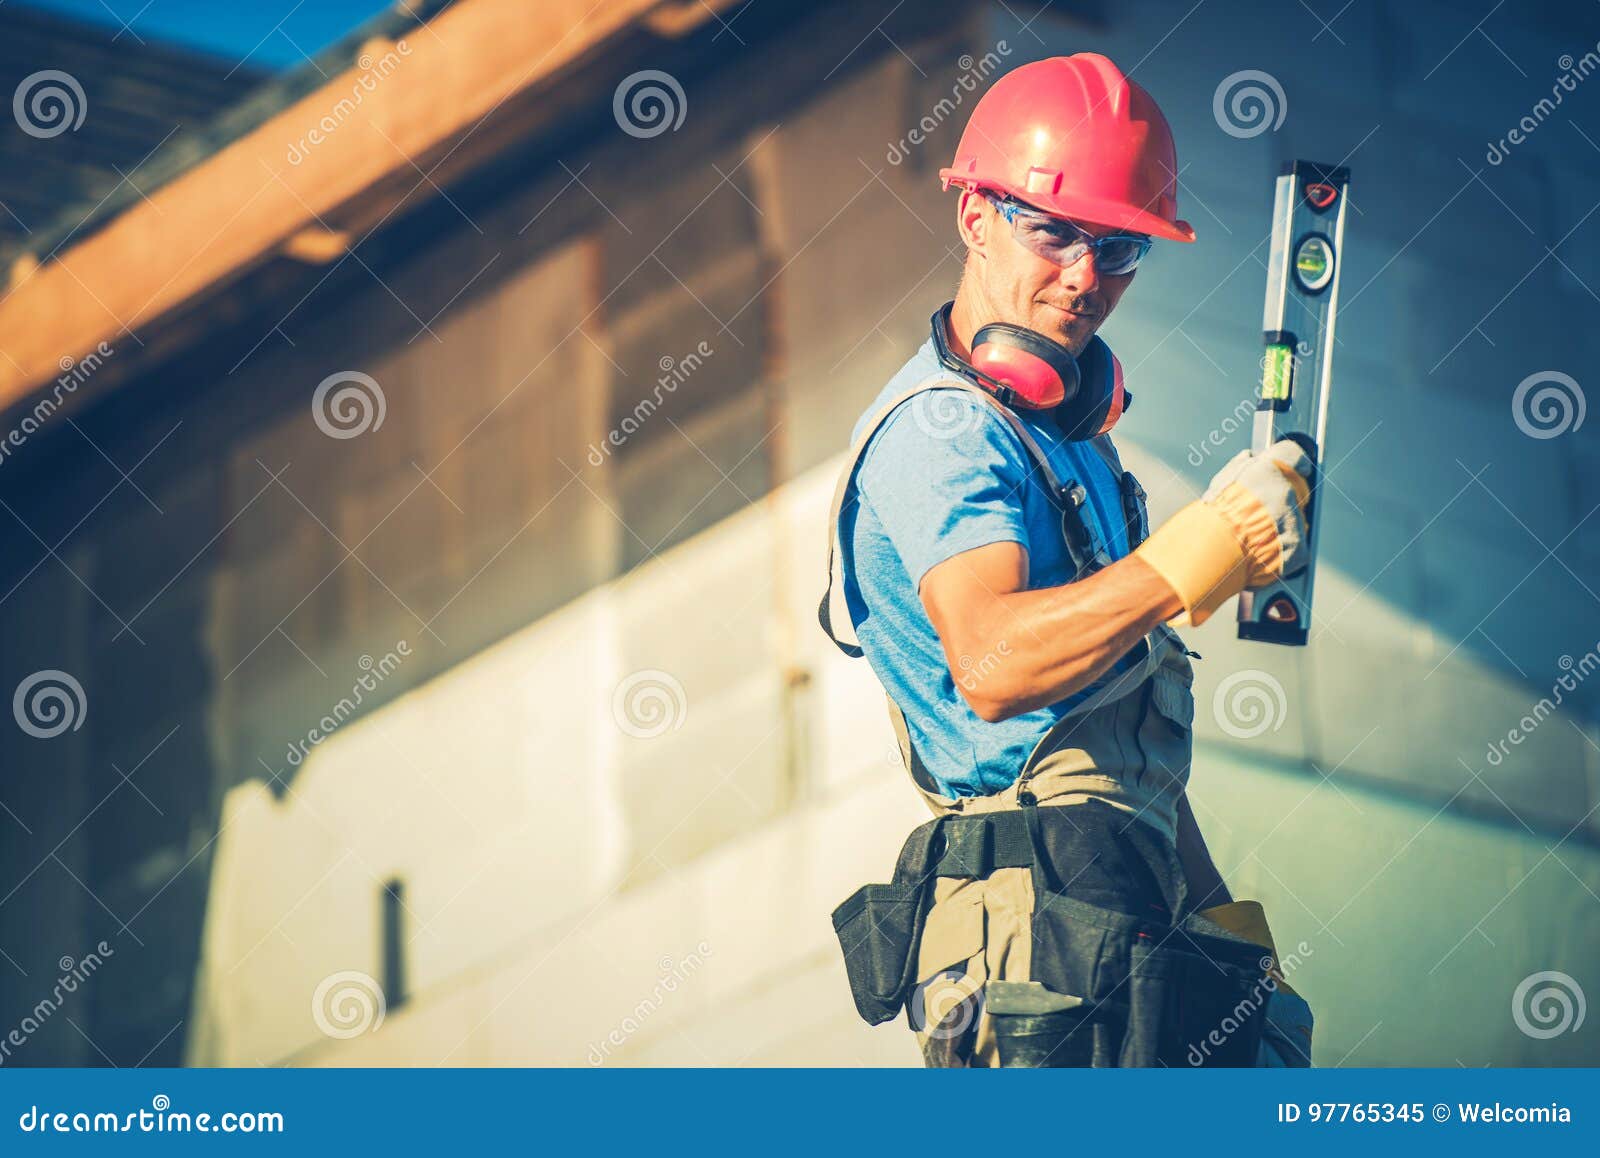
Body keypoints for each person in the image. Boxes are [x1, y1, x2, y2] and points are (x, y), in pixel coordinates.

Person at [822, 53, 1315, 1067]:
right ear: (975, 218)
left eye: (1120, 245)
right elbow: (996, 668)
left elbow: (1123, 761)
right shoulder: (948, 434)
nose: (1085, 277)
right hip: (1035, 933)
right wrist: (1188, 557)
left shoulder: (1071, 440)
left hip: (1122, 904)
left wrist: (1228, 948)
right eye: (1053, 231)